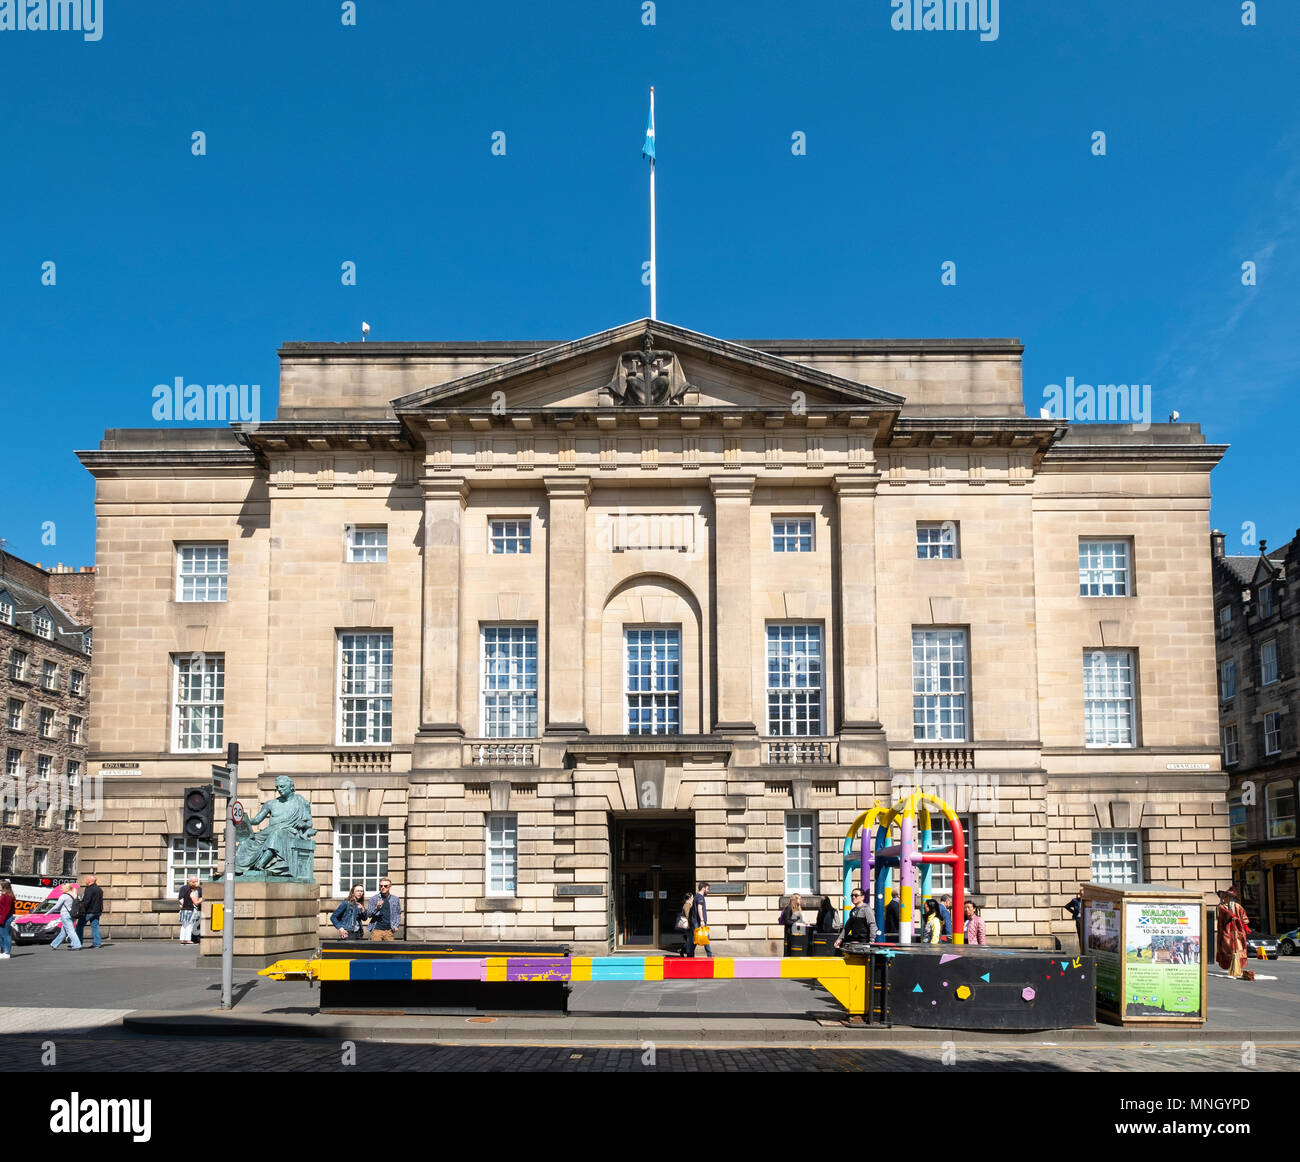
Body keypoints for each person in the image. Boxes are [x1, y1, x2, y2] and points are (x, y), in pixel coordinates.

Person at [1216, 887, 1255, 981]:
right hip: (1227, 931)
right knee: (1227, 947)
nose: (1225, 898)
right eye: (1225, 896)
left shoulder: (1238, 907)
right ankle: (1230, 966)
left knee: (1239, 948)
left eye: (1228, 897)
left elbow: (1243, 916)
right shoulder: (1222, 907)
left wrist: (1245, 926)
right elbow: (1225, 916)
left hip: (1238, 931)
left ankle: (1237, 967)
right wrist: (1231, 916)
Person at [49, 884, 82, 950]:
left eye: (62, 888)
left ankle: (77, 945)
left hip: (65, 915)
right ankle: (54, 944)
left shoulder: (63, 896)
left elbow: (56, 907)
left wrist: (47, 913)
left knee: (70, 931)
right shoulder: (76, 896)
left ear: (67, 889)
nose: (61, 889)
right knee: (64, 931)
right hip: (73, 915)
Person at [76, 874, 104, 949]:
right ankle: (97, 943)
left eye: (86, 879)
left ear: (89, 881)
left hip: (89, 911)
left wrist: (81, 910)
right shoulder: (99, 889)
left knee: (79, 926)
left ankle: (78, 943)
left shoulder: (89, 889)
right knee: (95, 927)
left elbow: (86, 901)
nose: (85, 881)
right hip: (97, 911)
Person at [688, 882, 712, 959]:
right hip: (699, 922)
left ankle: (690, 955)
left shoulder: (696, 896)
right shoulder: (700, 897)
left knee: (696, 939)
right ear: (703, 888)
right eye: (707, 889)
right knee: (705, 937)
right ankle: (709, 955)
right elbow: (699, 908)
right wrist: (702, 920)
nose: (708, 891)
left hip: (695, 921)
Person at [178, 876, 203, 945]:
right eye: (196, 882)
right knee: (189, 925)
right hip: (190, 909)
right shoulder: (191, 892)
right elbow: (196, 902)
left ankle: (182, 939)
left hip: (185, 910)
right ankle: (188, 939)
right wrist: (202, 899)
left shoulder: (188, 891)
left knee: (184, 925)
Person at [1065, 885, 1086, 954]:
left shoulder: (1087, 900)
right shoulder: (1075, 901)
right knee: (1080, 935)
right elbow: (1067, 906)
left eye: (1083, 894)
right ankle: (1081, 951)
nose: (1082, 895)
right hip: (1079, 919)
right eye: (1081, 894)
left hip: (1086, 920)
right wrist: (1074, 913)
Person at [675, 890, 694, 957]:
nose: (693, 898)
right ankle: (686, 951)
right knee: (691, 940)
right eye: (692, 897)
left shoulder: (688, 904)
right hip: (687, 925)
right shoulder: (687, 905)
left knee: (690, 940)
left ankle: (684, 950)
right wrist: (689, 925)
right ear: (689, 898)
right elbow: (687, 915)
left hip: (688, 925)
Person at [0, 881, 15, 959]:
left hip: (5, 917)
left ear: (4, 886)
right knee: (1, 935)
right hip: (3, 917)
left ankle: (7, 952)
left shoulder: (7, 897)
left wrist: (2, 920)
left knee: (5, 935)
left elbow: (6, 910)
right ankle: (2, 951)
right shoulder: (4, 895)